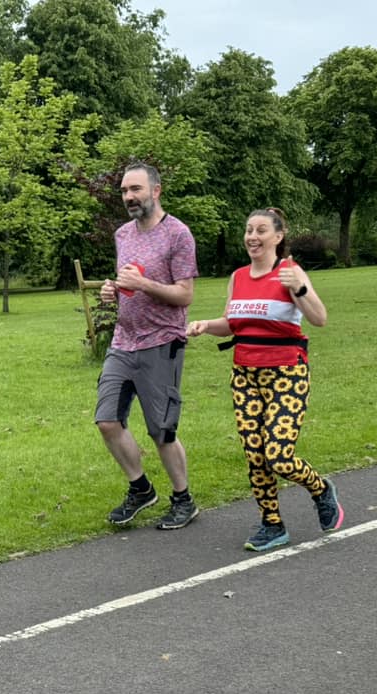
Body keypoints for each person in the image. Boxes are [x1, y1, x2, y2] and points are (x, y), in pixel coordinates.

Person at [187, 207, 343, 551]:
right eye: (248, 230)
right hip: (245, 375)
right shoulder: (238, 276)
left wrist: (300, 289)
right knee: (255, 454)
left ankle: (320, 489)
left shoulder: (290, 272)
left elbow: (319, 319)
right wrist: (204, 326)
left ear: (278, 235)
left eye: (260, 231)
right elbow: (232, 322)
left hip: (286, 374)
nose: (252, 237)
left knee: (279, 454)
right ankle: (271, 524)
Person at [95, 162, 199, 530]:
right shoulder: (123, 234)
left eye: (135, 189)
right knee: (107, 420)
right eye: (124, 191)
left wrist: (145, 285)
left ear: (156, 190)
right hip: (124, 342)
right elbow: (127, 282)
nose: (128, 197)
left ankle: (183, 499)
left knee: (161, 431)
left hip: (161, 342)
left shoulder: (178, 235)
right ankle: (140, 489)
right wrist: (113, 290)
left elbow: (184, 294)